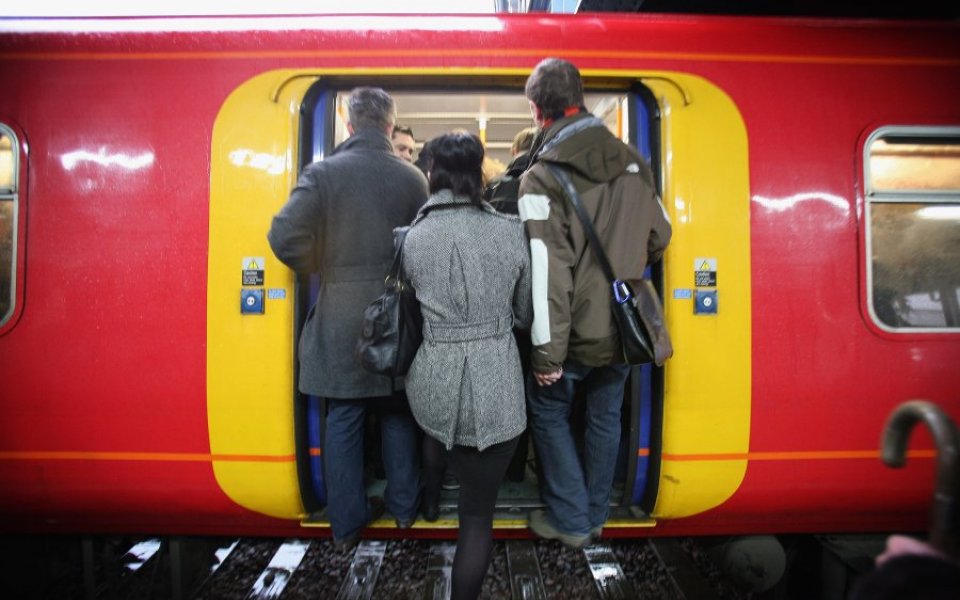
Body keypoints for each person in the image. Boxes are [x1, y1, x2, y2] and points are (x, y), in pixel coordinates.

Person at [518, 58, 672, 548]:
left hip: (575, 331)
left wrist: (547, 352)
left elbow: (547, 274)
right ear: (580, 99)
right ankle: (597, 513)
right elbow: (661, 235)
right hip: (626, 330)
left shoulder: (541, 177)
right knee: (606, 416)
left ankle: (573, 519)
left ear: (538, 111)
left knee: (547, 412)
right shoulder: (634, 161)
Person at [267, 87, 427, 550]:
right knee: (398, 413)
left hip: (339, 315)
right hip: (398, 312)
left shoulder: (322, 174)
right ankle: (403, 512)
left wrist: (320, 266)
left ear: (350, 124)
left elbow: (283, 237)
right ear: (390, 127)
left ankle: (346, 526)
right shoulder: (413, 179)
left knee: (344, 417)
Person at [402, 132, 532, 599]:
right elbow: (524, 314)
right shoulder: (510, 231)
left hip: (433, 382)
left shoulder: (412, 238)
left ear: (433, 173)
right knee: (477, 518)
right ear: (480, 174)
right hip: (497, 388)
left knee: (438, 430)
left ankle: (431, 497)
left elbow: (412, 314)